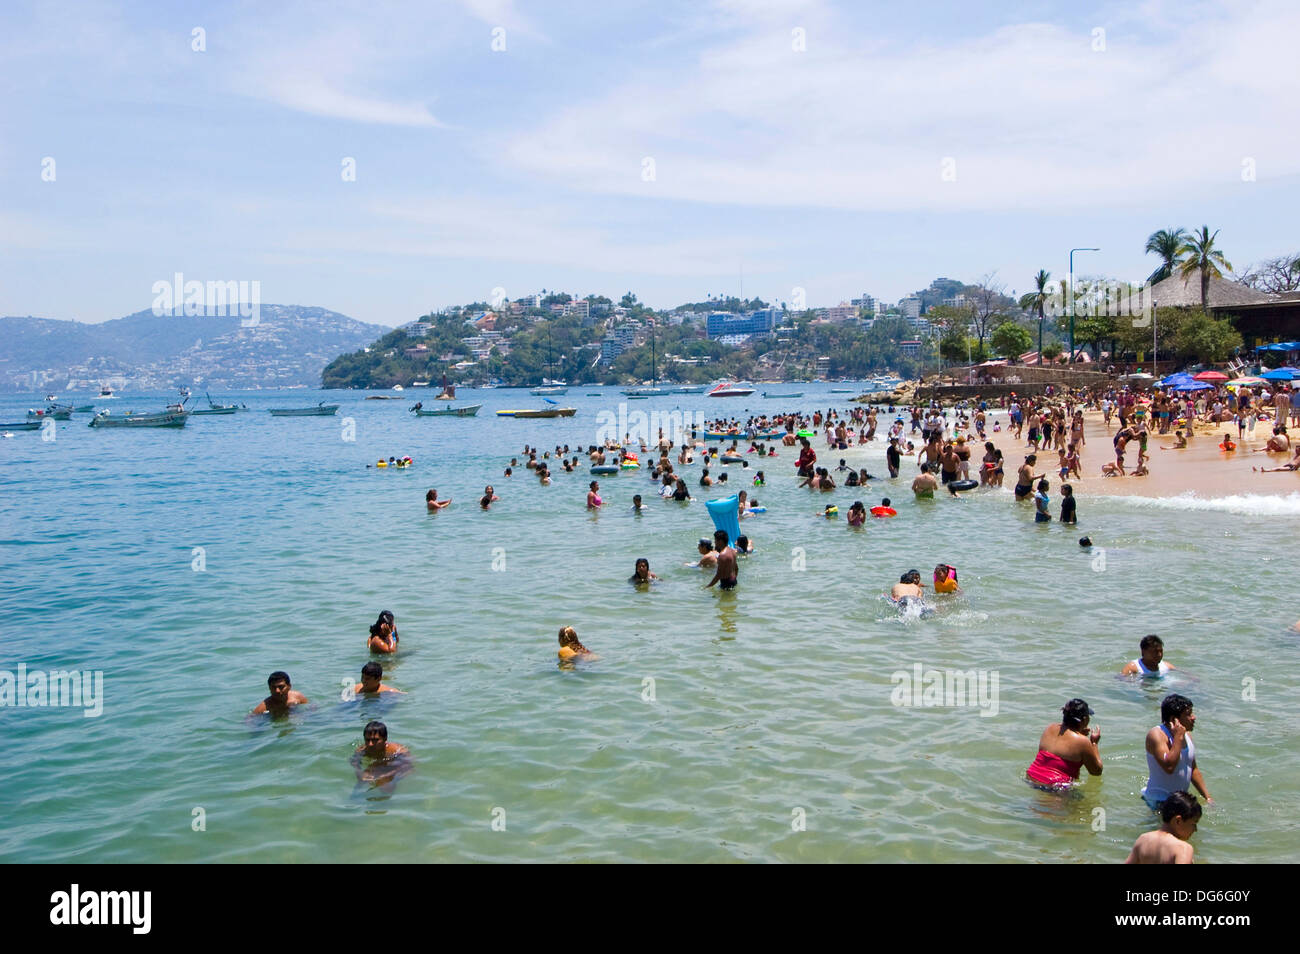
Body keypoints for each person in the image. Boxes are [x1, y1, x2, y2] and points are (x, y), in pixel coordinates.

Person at [1142, 693, 1213, 812]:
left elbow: (1193, 769)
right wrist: (1178, 737)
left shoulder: (1187, 735)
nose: (1193, 717)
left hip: (1179, 801)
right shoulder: (1157, 735)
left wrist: (1208, 797)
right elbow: (1169, 767)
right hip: (1158, 801)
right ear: (1173, 719)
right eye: (1188, 714)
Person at [1025, 698, 1102, 789]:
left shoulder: (1050, 728)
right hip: (1055, 787)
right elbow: (1096, 772)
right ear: (1084, 719)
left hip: (1031, 778)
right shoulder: (1083, 742)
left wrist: (1079, 734)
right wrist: (1094, 743)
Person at [1124, 791, 1202, 864]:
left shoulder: (1143, 839)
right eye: (1193, 824)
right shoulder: (1182, 849)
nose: (1195, 830)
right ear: (1178, 821)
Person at [351, 720, 410, 785]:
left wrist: (386, 775)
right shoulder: (362, 750)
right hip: (377, 765)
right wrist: (359, 772)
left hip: (393, 767)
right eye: (367, 740)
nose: (370, 744)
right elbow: (354, 762)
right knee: (362, 780)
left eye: (375, 740)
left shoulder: (397, 750)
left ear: (385, 738)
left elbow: (407, 767)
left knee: (385, 786)